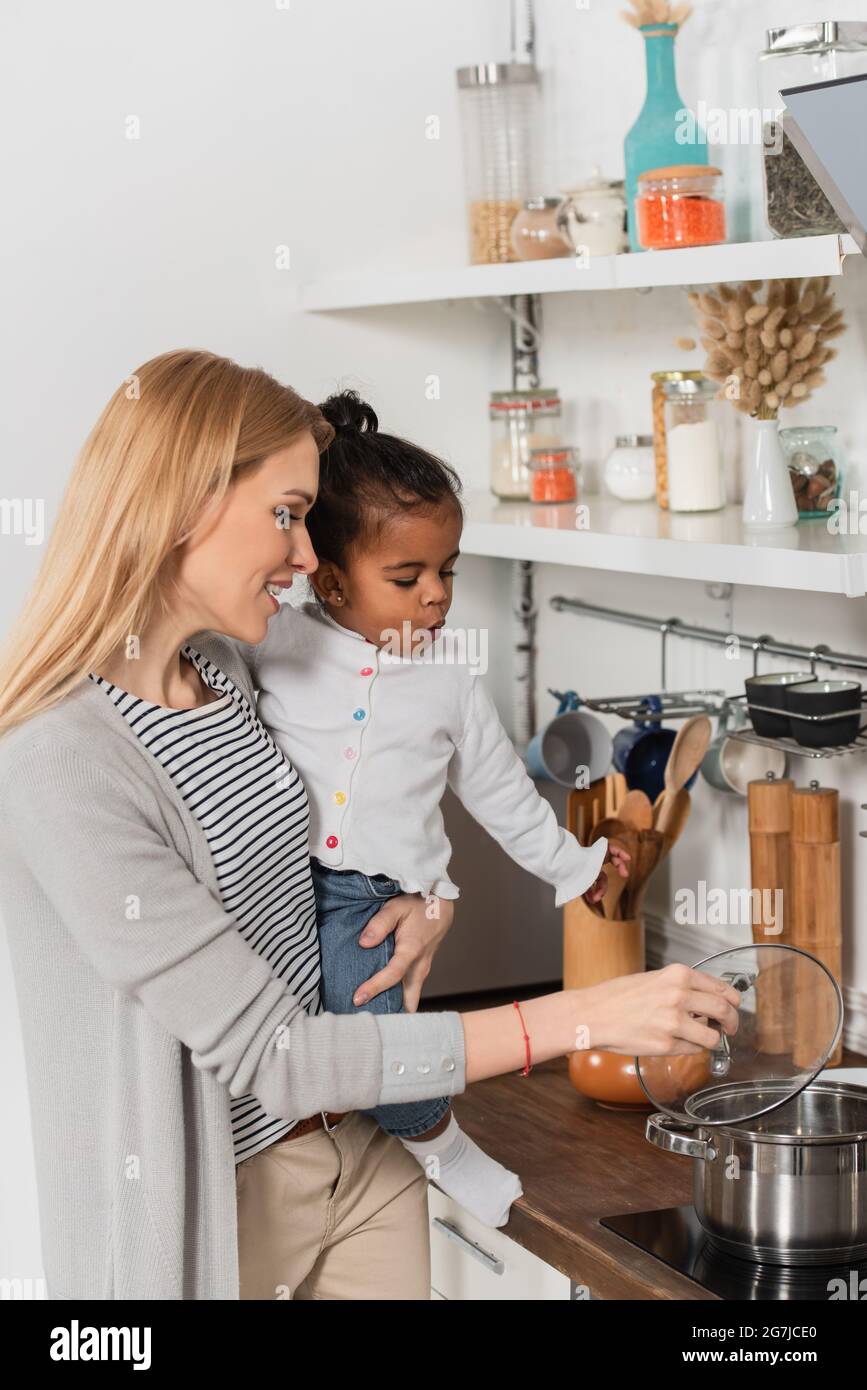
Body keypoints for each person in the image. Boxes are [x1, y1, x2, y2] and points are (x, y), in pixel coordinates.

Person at [0, 349, 741, 1300]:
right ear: (182, 503)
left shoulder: (230, 673)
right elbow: (272, 1054)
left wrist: (432, 898)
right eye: (287, 517)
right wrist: (584, 1015)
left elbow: (349, 826)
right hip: (215, 1206)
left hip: (362, 1156)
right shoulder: (61, 759)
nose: (308, 560)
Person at [247, 388, 630, 1229]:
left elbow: (500, 793)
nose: (436, 597)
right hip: (274, 884)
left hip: (372, 901)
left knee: (374, 1037)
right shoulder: (273, 638)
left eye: (446, 572)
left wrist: (578, 868)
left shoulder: (450, 680)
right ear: (333, 576)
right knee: (282, 1045)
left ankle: (442, 1147)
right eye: (407, 576)